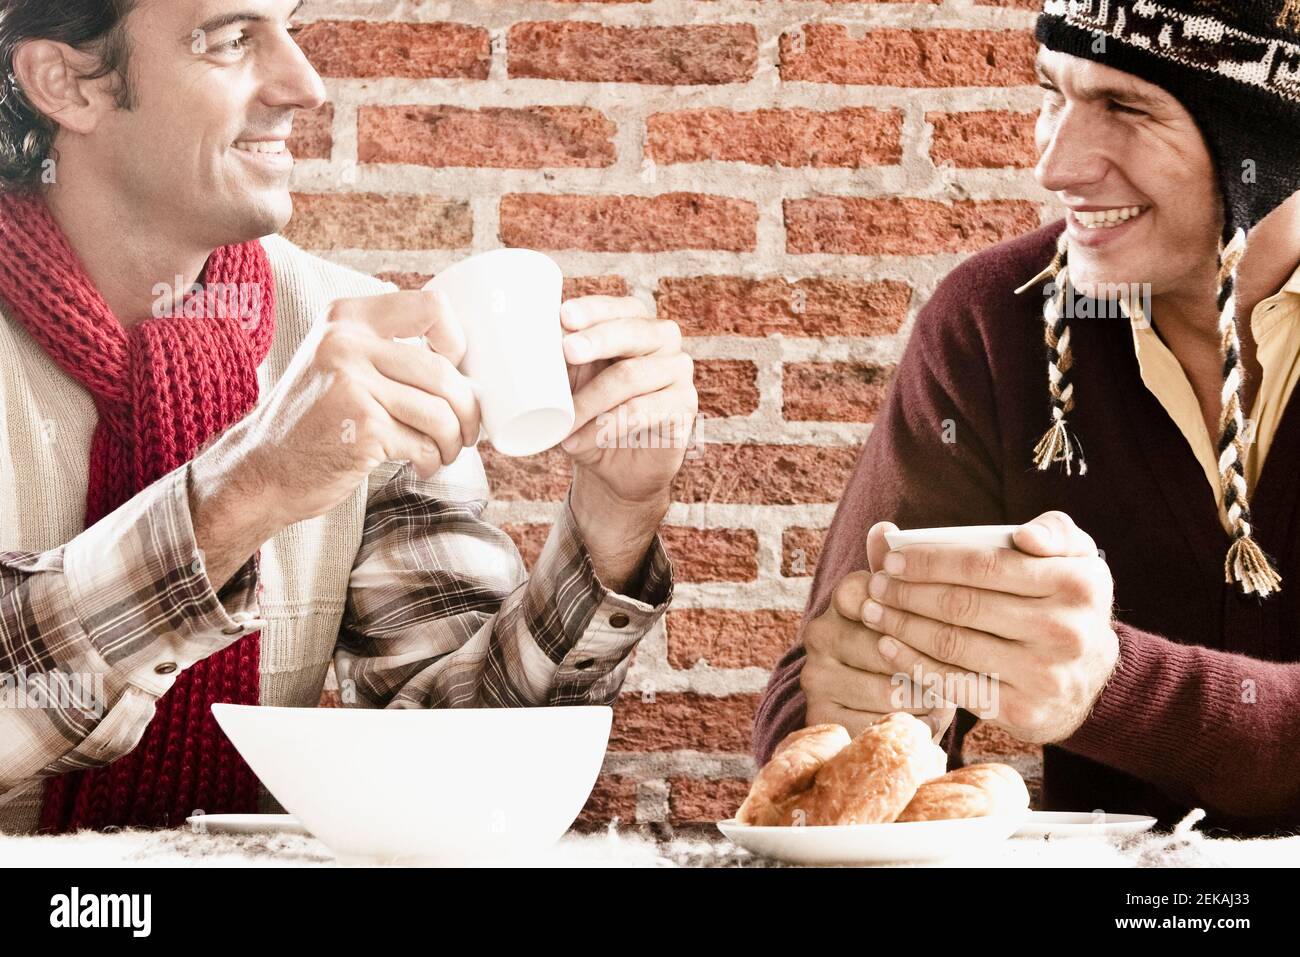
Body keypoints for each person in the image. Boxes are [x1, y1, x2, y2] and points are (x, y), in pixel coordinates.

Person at [0, 0, 696, 833]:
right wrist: (247, 487)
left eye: (294, 29)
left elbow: (455, 766)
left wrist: (612, 521)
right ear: (65, 81)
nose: (306, 84)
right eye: (231, 39)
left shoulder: (355, 334)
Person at [755, 0, 1300, 837]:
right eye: (1053, 92)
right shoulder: (993, 322)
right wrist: (851, 700)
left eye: (1126, 107)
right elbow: (814, 725)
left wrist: (1112, 687)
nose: (1055, 164)